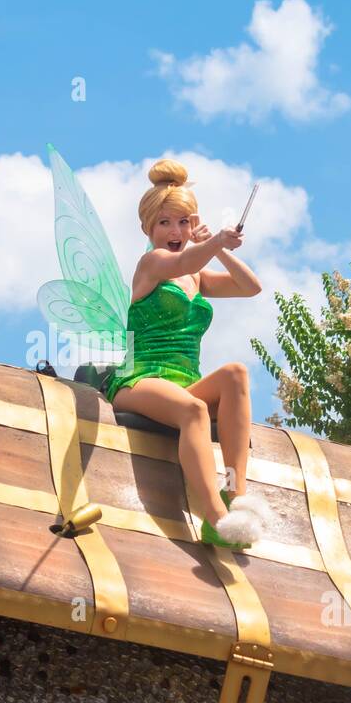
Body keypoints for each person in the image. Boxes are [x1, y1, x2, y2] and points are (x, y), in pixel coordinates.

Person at [105, 158, 273, 548]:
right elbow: (182, 259)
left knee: (235, 374)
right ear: (148, 228)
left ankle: (237, 496)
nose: (175, 231)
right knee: (194, 411)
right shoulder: (153, 263)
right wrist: (212, 244)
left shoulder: (196, 273)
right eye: (164, 222)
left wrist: (217, 246)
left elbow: (250, 287)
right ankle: (217, 519)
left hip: (184, 381)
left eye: (182, 222)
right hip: (141, 378)